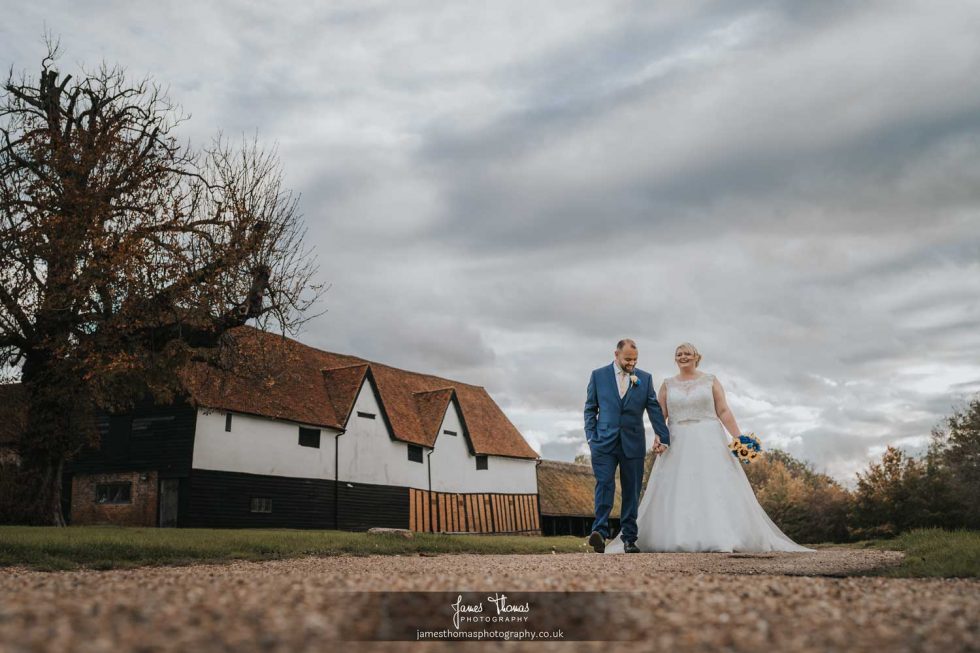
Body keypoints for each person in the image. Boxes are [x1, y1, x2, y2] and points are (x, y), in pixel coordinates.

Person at [603, 342, 814, 553]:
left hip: (709, 438)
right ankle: (678, 536)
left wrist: (739, 437)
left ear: (697, 357)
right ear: (675, 359)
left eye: (687, 353)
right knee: (679, 487)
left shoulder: (710, 381)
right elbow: (661, 416)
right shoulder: (667, 385)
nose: (683, 357)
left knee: (714, 485)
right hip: (677, 440)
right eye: (679, 354)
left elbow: (723, 411)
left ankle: (720, 535)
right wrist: (659, 437)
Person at [583, 338, 670, 553]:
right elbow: (590, 409)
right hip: (603, 442)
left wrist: (663, 436)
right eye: (627, 359)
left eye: (635, 359)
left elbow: (653, 408)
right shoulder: (598, 375)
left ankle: (629, 538)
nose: (632, 363)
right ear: (616, 354)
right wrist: (591, 437)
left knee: (631, 490)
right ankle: (599, 533)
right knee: (604, 485)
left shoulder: (645, 379)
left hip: (633, 442)